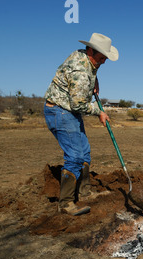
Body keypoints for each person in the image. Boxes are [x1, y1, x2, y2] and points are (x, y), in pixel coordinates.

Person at [44, 33, 119, 216]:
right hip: (60, 111)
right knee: (75, 156)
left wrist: (95, 81)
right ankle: (66, 203)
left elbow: (89, 73)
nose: (103, 62)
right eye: (101, 58)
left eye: (105, 58)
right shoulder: (79, 71)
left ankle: (84, 192)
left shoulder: (85, 57)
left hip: (69, 111)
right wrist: (99, 112)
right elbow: (78, 104)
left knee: (84, 151)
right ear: (91, 50)